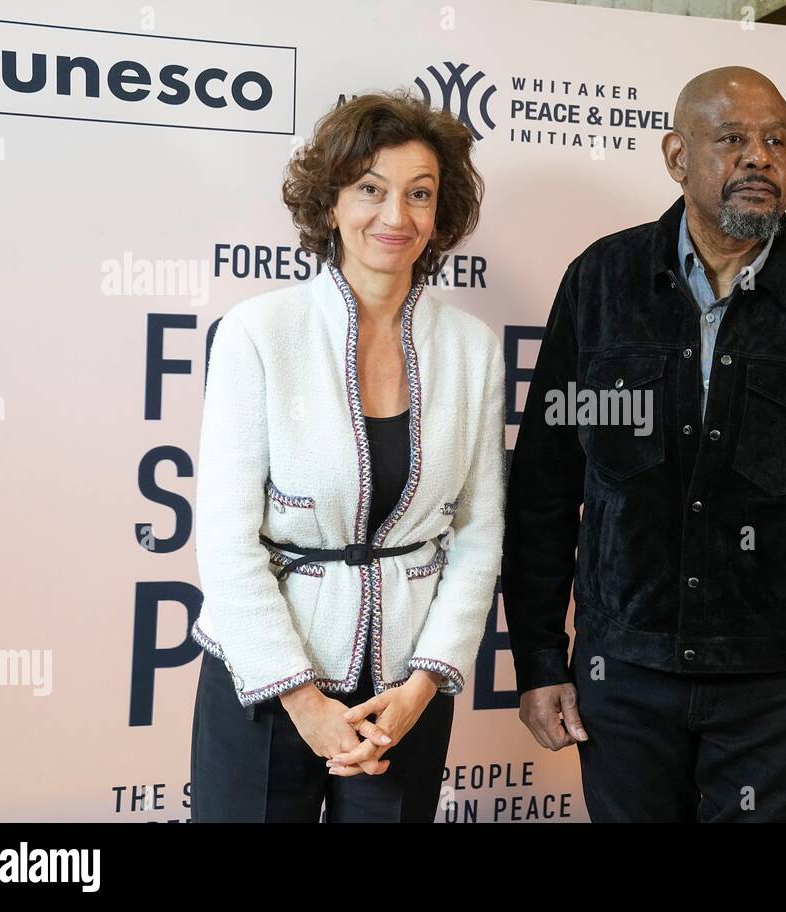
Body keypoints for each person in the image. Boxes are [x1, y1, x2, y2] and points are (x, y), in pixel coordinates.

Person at [503, 67, 786, 822]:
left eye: (776, 142)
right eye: (733, 140)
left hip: (782, 691)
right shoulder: (601, 283)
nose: (760, 158)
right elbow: (542, 489)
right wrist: (537, 660)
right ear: (677, 156)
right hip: (623, 677)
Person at [189, 91, 505, 822]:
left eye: (419, 194)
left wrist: (424, 684)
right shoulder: (259, 333)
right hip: (263, 682)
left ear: (440, 213)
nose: (396, 217)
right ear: (329, 203)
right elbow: (229, 540)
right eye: (371, 189)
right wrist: (303, 701)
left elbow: (480, 534)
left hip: (401, 693)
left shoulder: (472, 351)